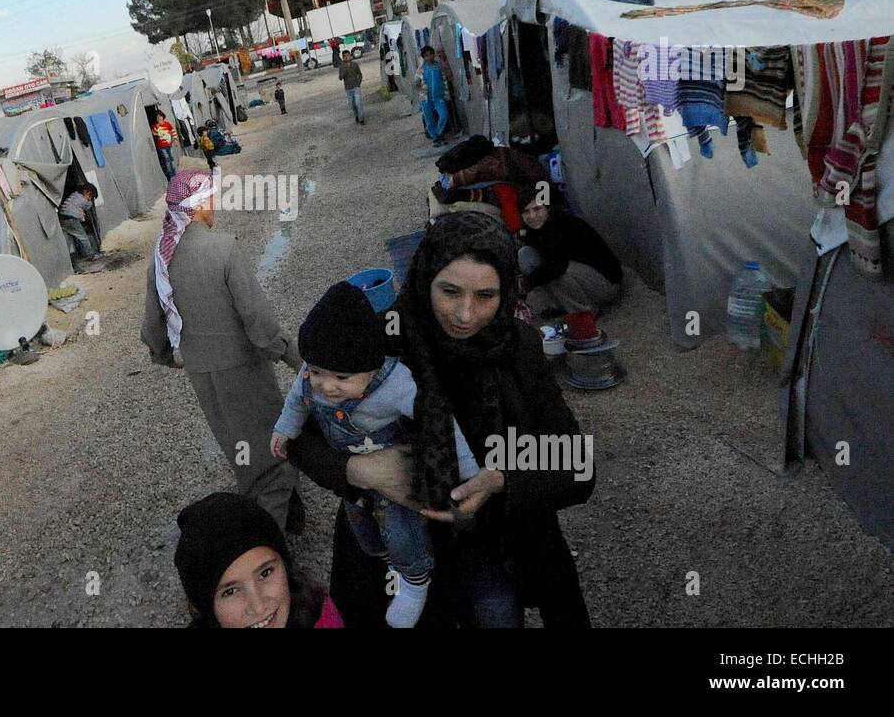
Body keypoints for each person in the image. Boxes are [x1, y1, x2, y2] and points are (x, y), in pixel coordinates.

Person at [285, 213, 595, 628]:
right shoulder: (379, 343)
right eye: (450, 291)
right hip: (399, 551)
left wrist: (502, 479)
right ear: (424, 277)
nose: (465, 315)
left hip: (493, 544)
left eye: (486, 295)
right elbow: (298, 438)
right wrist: (362, 469)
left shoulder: (518, 346)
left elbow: (576, 463)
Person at [271, 281, 481, 628]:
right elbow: (297, 400)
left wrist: (469, 469)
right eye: (317, 371)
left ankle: (414, 581)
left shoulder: (396, 384)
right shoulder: (313, 375)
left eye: (341, 377)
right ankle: (383, 555)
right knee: (362, 529)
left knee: (401, 529)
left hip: (395, 474)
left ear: (372, 368)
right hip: (355, 480)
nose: (326, 385)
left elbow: (439, 419)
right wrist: (284, 429)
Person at [141, 171, 304, 533]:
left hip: (203, 375)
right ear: (198, 205)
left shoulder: (161, 259)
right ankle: (270, 544)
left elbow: (152, 327)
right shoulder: (224, 248)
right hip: (243, 369)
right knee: (272, 452)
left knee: (238, 444)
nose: (215, 205)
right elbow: (258, 322)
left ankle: (283, 512)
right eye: (212, 198)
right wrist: (294, 358)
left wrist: (169, 357)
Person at [175, 492, 342, 628]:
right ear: (207, 609)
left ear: (285, 568)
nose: (259, 606)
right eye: (230, 591)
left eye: (265, 573)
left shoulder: (320, 615)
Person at [517, 186, 622, 318]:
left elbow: (556, 266)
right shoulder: (534, 229)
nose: (532, 216)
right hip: (579, 278)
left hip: (605, 284)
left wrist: (527, 284)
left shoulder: (566, 226)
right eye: (526, 212)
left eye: (537, 209)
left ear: (548, 208)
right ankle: (565, 304)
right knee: (525, 254)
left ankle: (585, 313)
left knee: (556, 271)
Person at [416, 45, 450, 147]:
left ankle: (439, 133)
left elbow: (444, 81)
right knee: (429, 119)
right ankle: (435, 137)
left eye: (431, 54)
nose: (429, 57)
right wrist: (417, 83)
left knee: (444, 114)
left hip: (439, 97)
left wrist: (447, 95)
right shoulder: (421, 69)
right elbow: (416, 82)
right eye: (426, 55)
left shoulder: (438, 66)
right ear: (423, 57)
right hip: (426, 99)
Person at [59, 183, 101, 263]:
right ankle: (91, 255)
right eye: (89, 196)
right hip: (71, 219)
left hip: (63, 218)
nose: (89, 198)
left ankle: (70, 258)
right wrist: (90, 202)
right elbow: (87, 206)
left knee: (71, 237)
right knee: (83, 237)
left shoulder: (75, 195)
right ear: (85, 191)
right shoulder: (82, 199)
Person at [338, 50, 366, 125]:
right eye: (345, 56)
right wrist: (345, 70)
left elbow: (359, 74)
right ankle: (356, 115)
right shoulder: (342, 66)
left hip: (356, 86)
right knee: (352, 104)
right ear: (343, 58)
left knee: (358, 102)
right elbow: (340, 77)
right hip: (348, 88)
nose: (347, 57)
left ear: (350, 56)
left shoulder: (355, 64)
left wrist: (358, 83)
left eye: (348, 55)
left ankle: (361, 119)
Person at [151, 111, 178, 180]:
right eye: (157, 117)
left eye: (160, 116)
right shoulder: (155, 126)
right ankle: (171, 175)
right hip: (161, 146)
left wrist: (175, 139)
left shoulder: (167, 124)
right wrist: (157, 128)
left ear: (163, 116)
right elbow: (154, 133)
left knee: (171, 159)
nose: (159, 118)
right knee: (167, 160)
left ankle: (174, 173)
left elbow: (173, 131)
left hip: (169, 144)